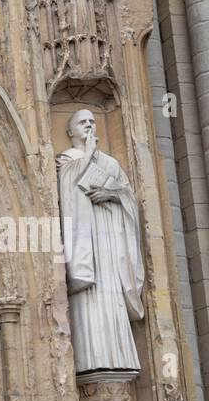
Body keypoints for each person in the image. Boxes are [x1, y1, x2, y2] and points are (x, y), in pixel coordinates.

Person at [57, 109, 145, 374]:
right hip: (86, 244)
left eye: (92, 122)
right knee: (90, 300)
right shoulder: (67, 159)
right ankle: (92, 363)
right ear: (70, 131)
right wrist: (88, 155)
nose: (89, 126)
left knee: (111, 295)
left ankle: (118, 359)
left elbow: (129, 198)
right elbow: (67, 186)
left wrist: (112, 195)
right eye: (82, 122)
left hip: (110, 242)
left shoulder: (110, 163)